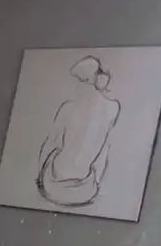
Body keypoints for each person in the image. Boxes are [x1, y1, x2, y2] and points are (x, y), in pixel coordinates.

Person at [36, 55, 120, 207]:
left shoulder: (68, 108)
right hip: (85, 190)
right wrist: (97, 181)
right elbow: (104, 149)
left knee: (53, 155)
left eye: (76, 81)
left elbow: (51, 144)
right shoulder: (113, 108)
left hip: (54, 186)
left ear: (82, 81)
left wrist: (39, 176)